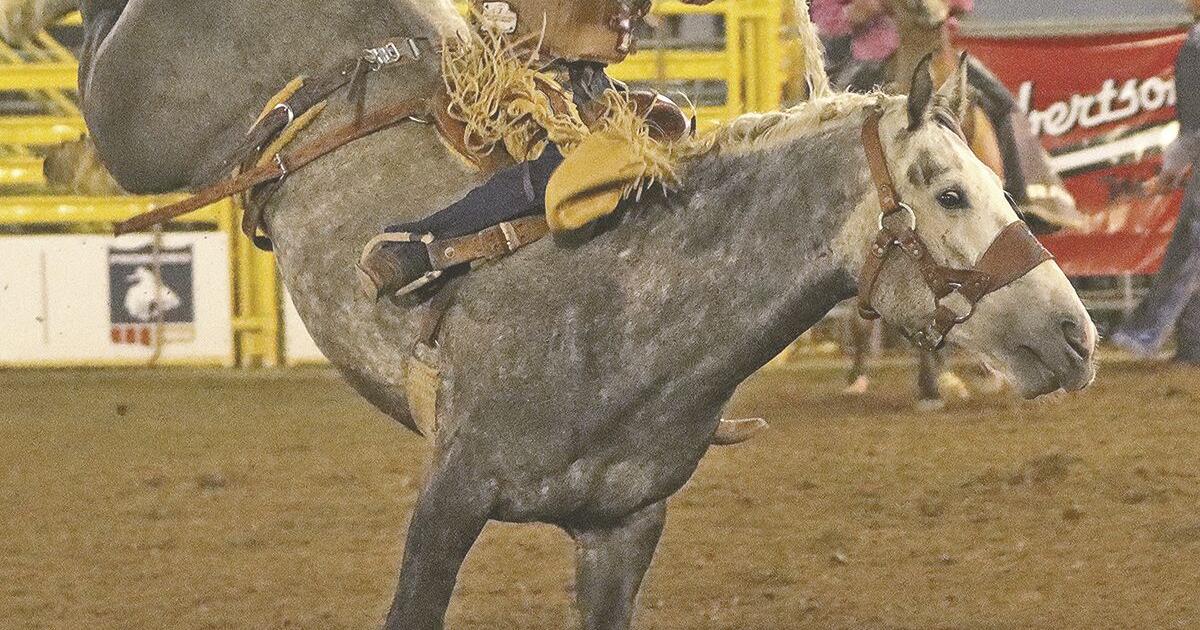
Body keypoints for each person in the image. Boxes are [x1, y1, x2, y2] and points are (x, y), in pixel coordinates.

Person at [357, 0, 710, 299]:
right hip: (518, 70)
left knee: (668, 128)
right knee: (572, 164)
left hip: (588, 79)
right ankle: (418, 246)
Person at [1111, 0, 1200, 365]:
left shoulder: (1195, 46)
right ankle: (1192, 344)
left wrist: (1168, 173)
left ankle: (1145, 332)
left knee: (1188, 250)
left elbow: (1194, 126)